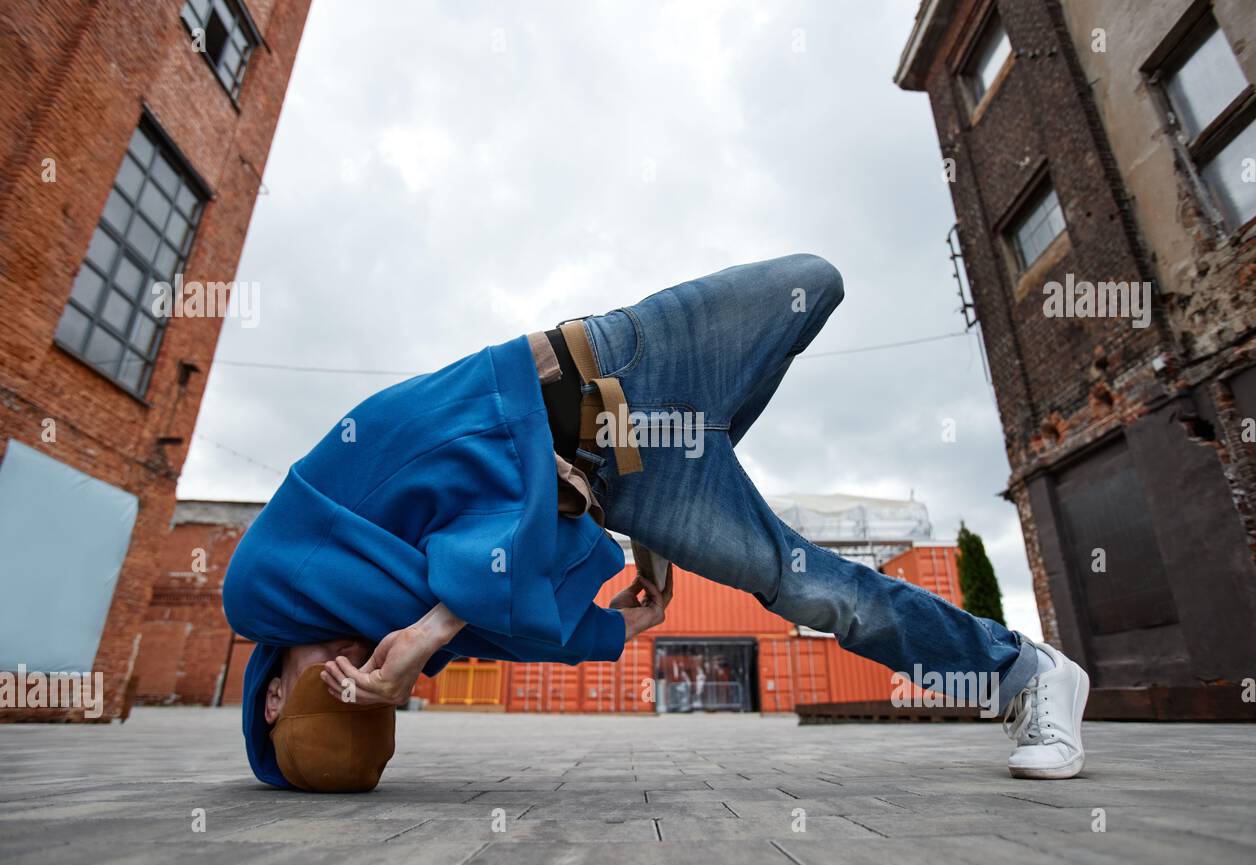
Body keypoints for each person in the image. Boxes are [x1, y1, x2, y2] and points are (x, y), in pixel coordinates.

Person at [224, 253, 1089, 792]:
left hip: (615, 364)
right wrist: (611, 627)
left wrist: (429, 625)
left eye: (329, 684)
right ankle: (1026, 675)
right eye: (372, 695)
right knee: (817, 594)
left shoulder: (266, 577)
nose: (355, 666)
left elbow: (422, 442)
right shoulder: (400, 629)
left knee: (811, 280)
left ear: (269, 696)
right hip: (639, 490)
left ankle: (690, 449)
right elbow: (508, 628)